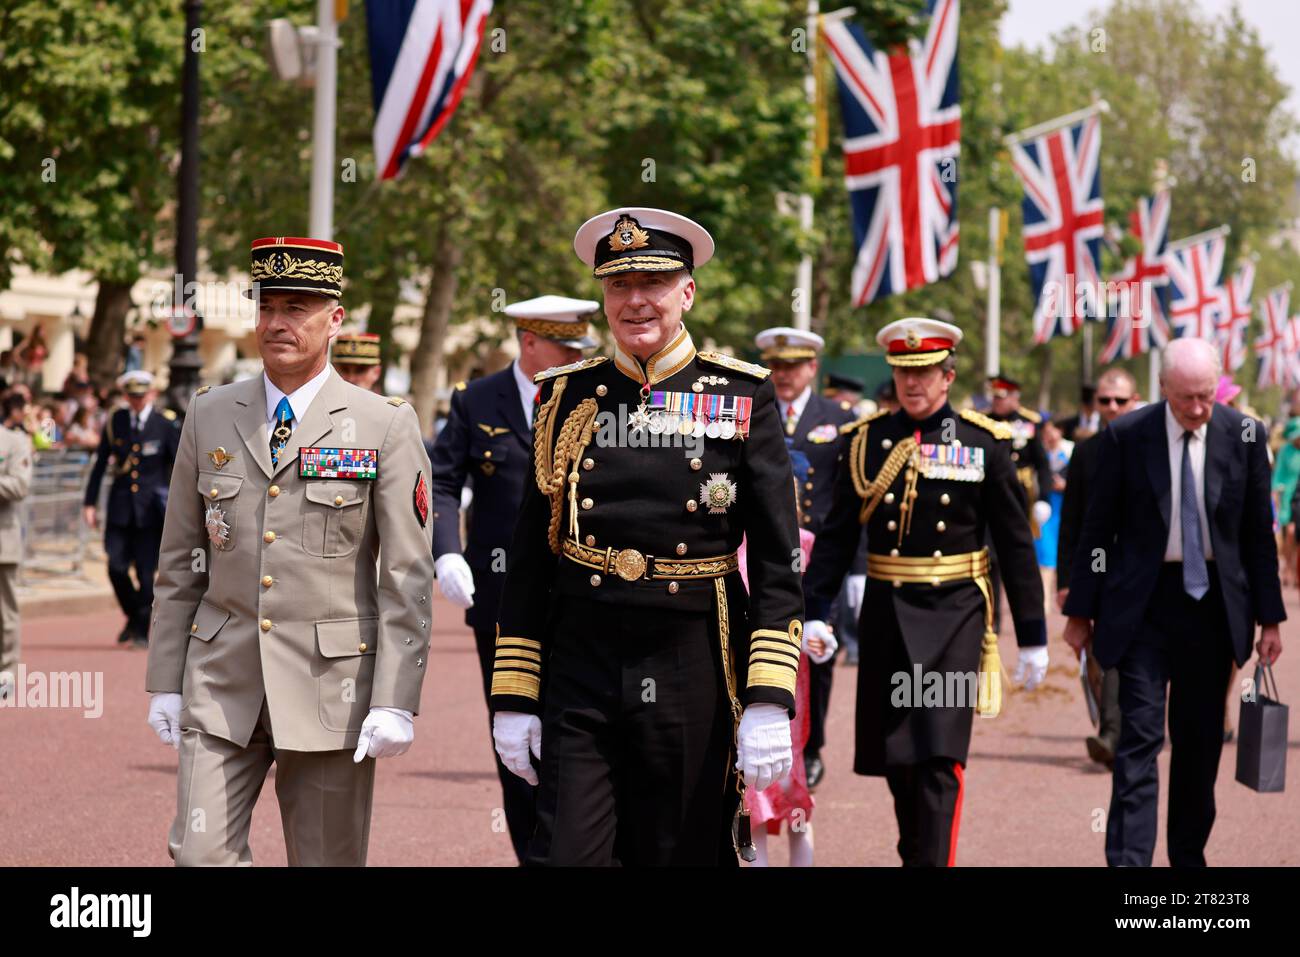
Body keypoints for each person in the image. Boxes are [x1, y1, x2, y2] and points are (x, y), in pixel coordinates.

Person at [489, 207, 806, 866]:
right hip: (583, 659)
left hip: (690, 654)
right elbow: (529, 558)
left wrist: (769, 695)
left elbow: (777, 563)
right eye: (618, 285)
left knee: (680, 851)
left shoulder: (742, 394)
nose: (635, 301)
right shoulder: (565, 396)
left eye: (652, 283)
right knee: (568, 852)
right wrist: (515, 695)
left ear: (686, 291)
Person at [143, 236, 436, 866]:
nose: (277, 322)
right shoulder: (210, 413)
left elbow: (407, 574)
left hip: (330, 686)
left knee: (325, 860)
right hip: (222, 681)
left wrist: (395, 698)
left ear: (334, 320)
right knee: (198, 854)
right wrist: (165, 679)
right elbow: (179, 560)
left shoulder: (383, 423)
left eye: (297, 307)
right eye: (268, 305)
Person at [803, 318, 1047, 866]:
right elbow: (839, 534)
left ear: (948, 376)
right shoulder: (866, 443)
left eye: (926, 372)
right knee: (898, 758)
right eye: (904, 372)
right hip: (888, 613)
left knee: (939, 755)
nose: (913, 383)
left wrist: (1032, 635)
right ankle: (916, 852)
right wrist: (816, 611)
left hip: (956, 614)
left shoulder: (984, 442)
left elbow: (1014, 544)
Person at [1063, 338, 1285, 867]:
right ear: (1162, 389)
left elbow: (1258, 533)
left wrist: (1271, 618)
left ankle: (1188, 860)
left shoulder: (1244, 435)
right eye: (1185, 398)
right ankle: (1129, 865)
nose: (1196, 409)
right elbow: (1098, 532)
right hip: (1142, 607)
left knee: (1199, 742)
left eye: (1205, 396)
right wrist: (1079, 610)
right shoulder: (1126, 437)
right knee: (1137, 739)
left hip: (1212, 607)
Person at [429, 293, 598, 863]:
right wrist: (446, 551)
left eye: (579, 348)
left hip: (580, 596)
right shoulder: (477, 399)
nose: (574, 356)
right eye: (563, 346)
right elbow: (443, 482)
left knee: (579, 731)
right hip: (500, 598)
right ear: (529, 343)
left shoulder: (592, 395)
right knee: (515, 732)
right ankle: (532, 854)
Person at [756, 325, 859, 789]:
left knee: (815, 653)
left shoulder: (840, 418)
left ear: (812, 367)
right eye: (775, 365)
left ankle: (811, 746)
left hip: (821, 559)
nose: (783, 374)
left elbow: (853, 502)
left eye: (793, 365)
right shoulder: (750, 410)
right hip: (761, 552)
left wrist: (856, 569)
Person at [741, 451, 834, 867]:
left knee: (789, 781)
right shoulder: (733, 544)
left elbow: (813, 608)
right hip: (738, 676)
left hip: (786, 680)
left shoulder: (807, 544)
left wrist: (819, 634)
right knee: (750, 789)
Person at [1055, 367, 1138, 769]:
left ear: (1134, 401)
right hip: (1098, 571)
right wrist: (1066, 582)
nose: (1112, 407)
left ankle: (1134, 730)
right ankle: (1110, 732)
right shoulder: (1085, 452)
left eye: (1120, 400)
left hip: (1147, 571)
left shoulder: (1155, 446)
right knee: (1105, 652)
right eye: (1104, 400)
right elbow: (1070, 523)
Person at [83, 371, 180, 648]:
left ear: (151, 394)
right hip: (121, 508)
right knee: (115, 567)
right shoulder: (117, 421)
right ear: (125, 396)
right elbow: (101, 463)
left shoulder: (165, 424)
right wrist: (89, 503)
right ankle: (133, 615)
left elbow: (180, 466)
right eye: (131, 396)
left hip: (151, 512)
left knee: (147, 575)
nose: (136, 401)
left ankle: (141, 630)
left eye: (141, 395)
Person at [0, 416, 33, 698]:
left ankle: (7, 673)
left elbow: (20, 486)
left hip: (2, 541)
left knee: (4, 613)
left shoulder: (14, 442)